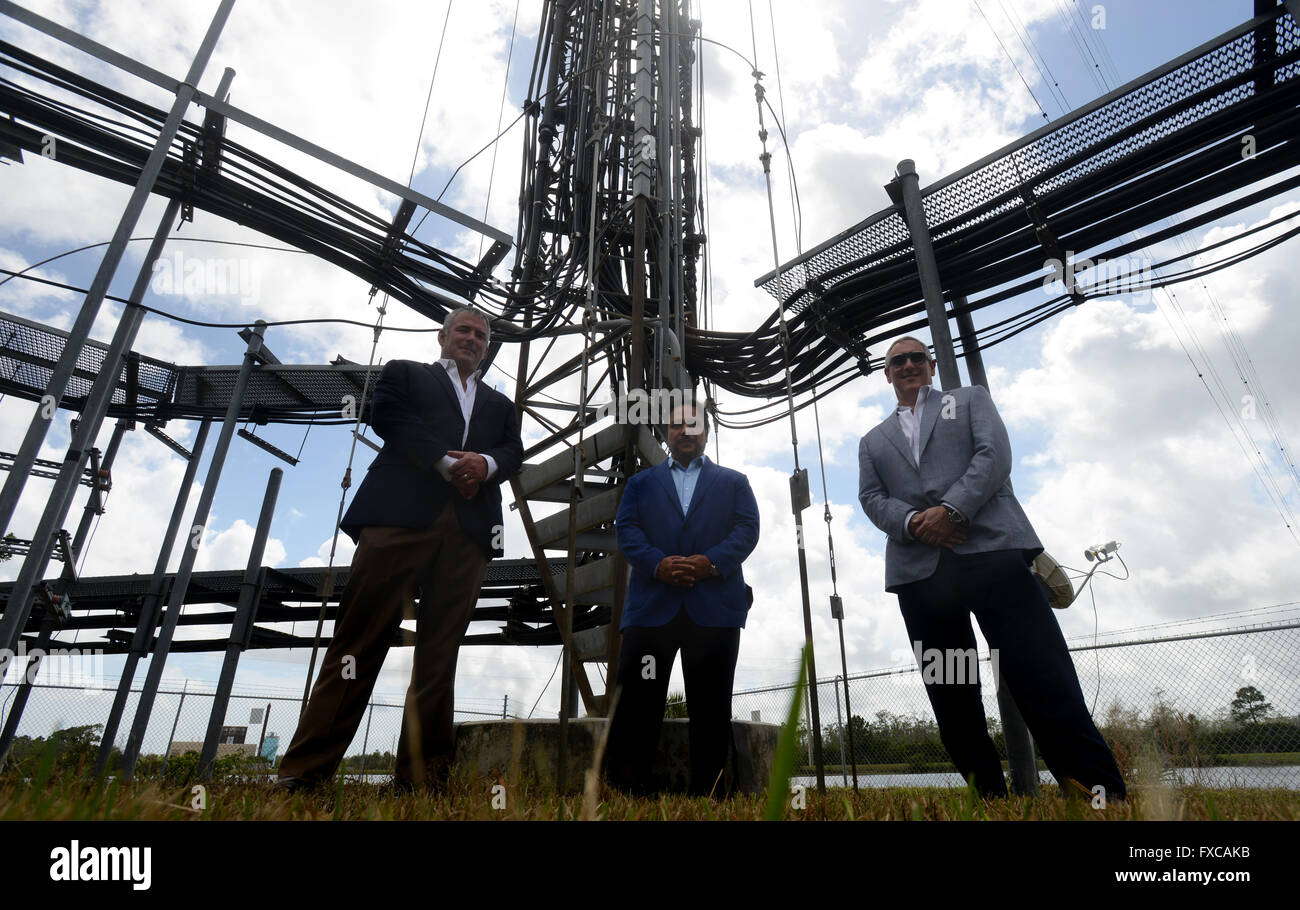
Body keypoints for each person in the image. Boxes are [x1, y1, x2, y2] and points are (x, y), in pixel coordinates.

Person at [857, 336, 1126, 801]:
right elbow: (871, 499)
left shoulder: (968, 401)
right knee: (952, 689)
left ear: (932, 364)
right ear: (886, 374)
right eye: (896, 361)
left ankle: (1097, 793)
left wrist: (951, 510)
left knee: (1040, 674)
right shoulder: (872, 440)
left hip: (992, 555)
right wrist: (914, 523)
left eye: (916, 357)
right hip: (921, 577)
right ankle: (990, 797)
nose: (907, 365)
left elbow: (994, 456)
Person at [276, 306, 523, 792]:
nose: (471, 339)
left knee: (440, 652)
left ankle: (422, 780)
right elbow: (385, 416)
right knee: (358, 641)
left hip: (469, 531)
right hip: (398, 520)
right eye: (463, 331)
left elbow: (514, 451)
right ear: (442, 336)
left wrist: (486, 464)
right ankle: (304, 774)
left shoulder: (499, 404)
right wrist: (444, 460)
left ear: (487, 346)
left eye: (480, 334)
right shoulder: (405, 374)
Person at [603, 400, 760, 798]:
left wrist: (710, 563)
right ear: (667, 433)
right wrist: (659, 565)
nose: (685, 431)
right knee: (638, 700)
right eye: (676, 426)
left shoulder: (734, 482)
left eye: (693, 424)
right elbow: (628, 530)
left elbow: (747, 529)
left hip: (714, 608)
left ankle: (710, 792)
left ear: (706, 431)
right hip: (653, 609)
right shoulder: (640, 483)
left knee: (710, 704)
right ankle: (628, 790)